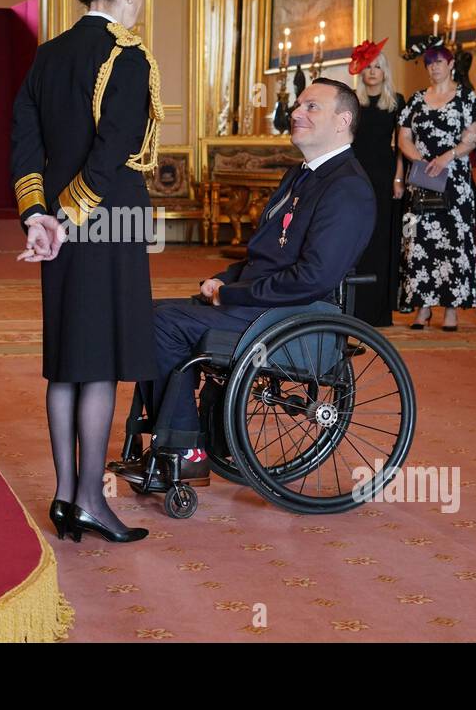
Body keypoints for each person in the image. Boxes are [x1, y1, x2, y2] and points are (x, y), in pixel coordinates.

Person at [115, 79, 375, 490]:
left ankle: (187, 452)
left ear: (343, 121)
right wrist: (224, 279)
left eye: (312, 106)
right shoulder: (301, 175)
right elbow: (266, 256)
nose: (297, 112)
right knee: (149, 313)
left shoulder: (347, 188)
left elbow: (314, 277)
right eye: (298, 104)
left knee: (162, 324)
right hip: (260, 305)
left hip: (292, 317)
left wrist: (232, 294)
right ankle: (177, 442)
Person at [10, 0, 162, 544]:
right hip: (108, 219)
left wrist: (38, 216)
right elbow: (112, 153)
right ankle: (91, 502)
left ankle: (66, 495)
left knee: (68, 360)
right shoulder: (126, 56)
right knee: (98, 361)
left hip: (58, 227)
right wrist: (71, 217)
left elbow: (25, 144)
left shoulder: (46, 55)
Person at [397, 41, 476, 330]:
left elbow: (472, 136)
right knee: (418, 242)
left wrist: (447, 156)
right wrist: (421, 160)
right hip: (422, 177)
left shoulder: (466, 98)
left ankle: (451, 310)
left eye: (438, 62)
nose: (434, 67)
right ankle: (421, 308)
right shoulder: (416, 99)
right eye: (429, 63)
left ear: (450, 64)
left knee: (454, 244)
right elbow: (404, 137)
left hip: (455, 180)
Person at [349, 38, 404, 326]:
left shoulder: (396, 103)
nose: (372, 71)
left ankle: (379, 311)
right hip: (355, 176)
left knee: (381, 241)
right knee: (357, 239)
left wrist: (398, 178)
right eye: (368, 66)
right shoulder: (351, 102)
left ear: (385, 72)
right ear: (361, 71)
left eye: (378, 67)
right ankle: (352, 309)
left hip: (384, 178)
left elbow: (402, 145)